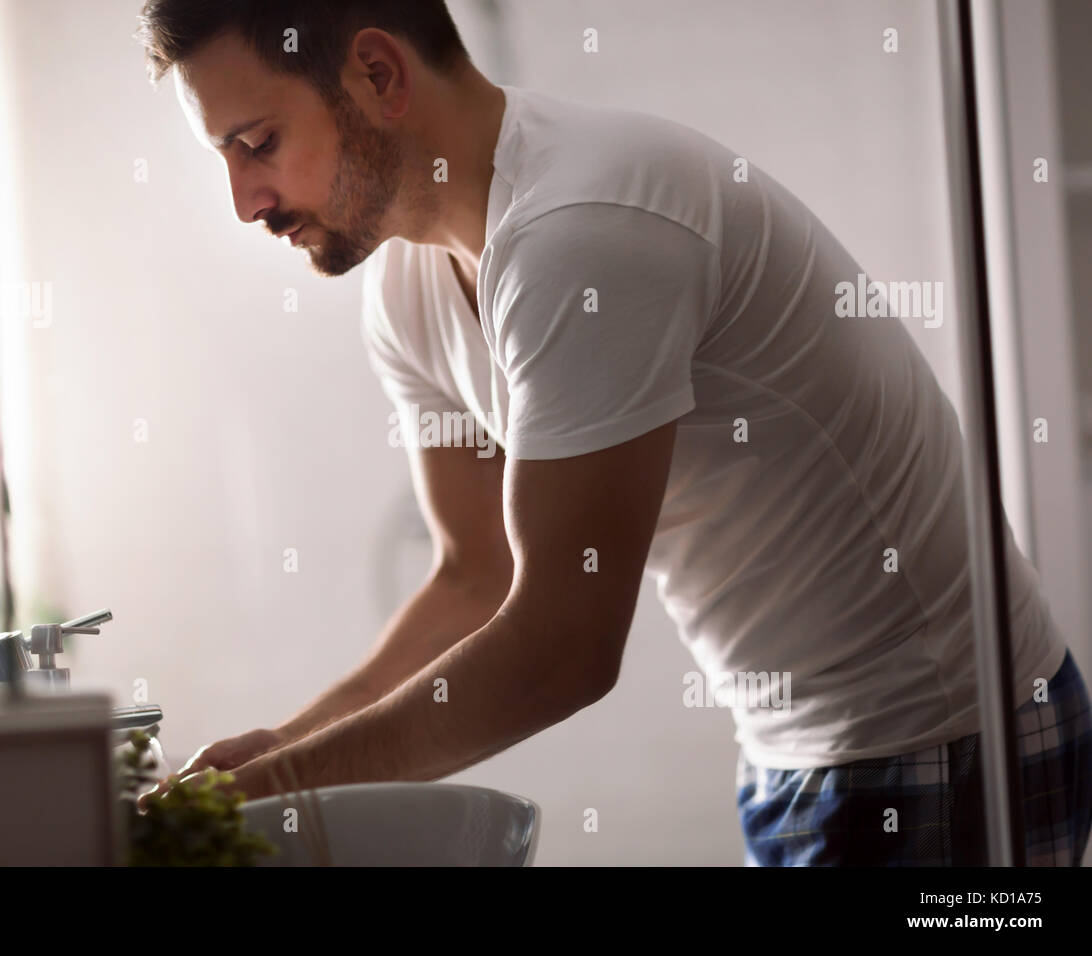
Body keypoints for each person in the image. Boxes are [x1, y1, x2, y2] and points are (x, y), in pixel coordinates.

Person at [136, 0, 1091, 865]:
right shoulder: (405, 287)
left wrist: (267, 794)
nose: (244, 203)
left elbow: (564, 647)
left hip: (945, 741)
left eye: (256, 142)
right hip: (791, 755)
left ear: (379, 75)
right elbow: (477, 573)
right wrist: (282, 750)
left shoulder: (582, 229)